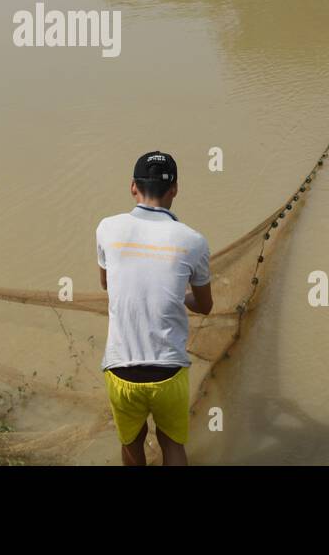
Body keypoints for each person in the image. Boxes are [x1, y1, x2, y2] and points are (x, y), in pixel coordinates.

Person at [96, 151, 213, 466]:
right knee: (172, 443)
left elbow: (107, 284)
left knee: (132, 444)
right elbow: (205, 306)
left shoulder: (107, 228)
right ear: (174, 189)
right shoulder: (194, 241)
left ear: (133, 187)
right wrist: (179, 298)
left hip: (122, 371)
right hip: (168, 372)